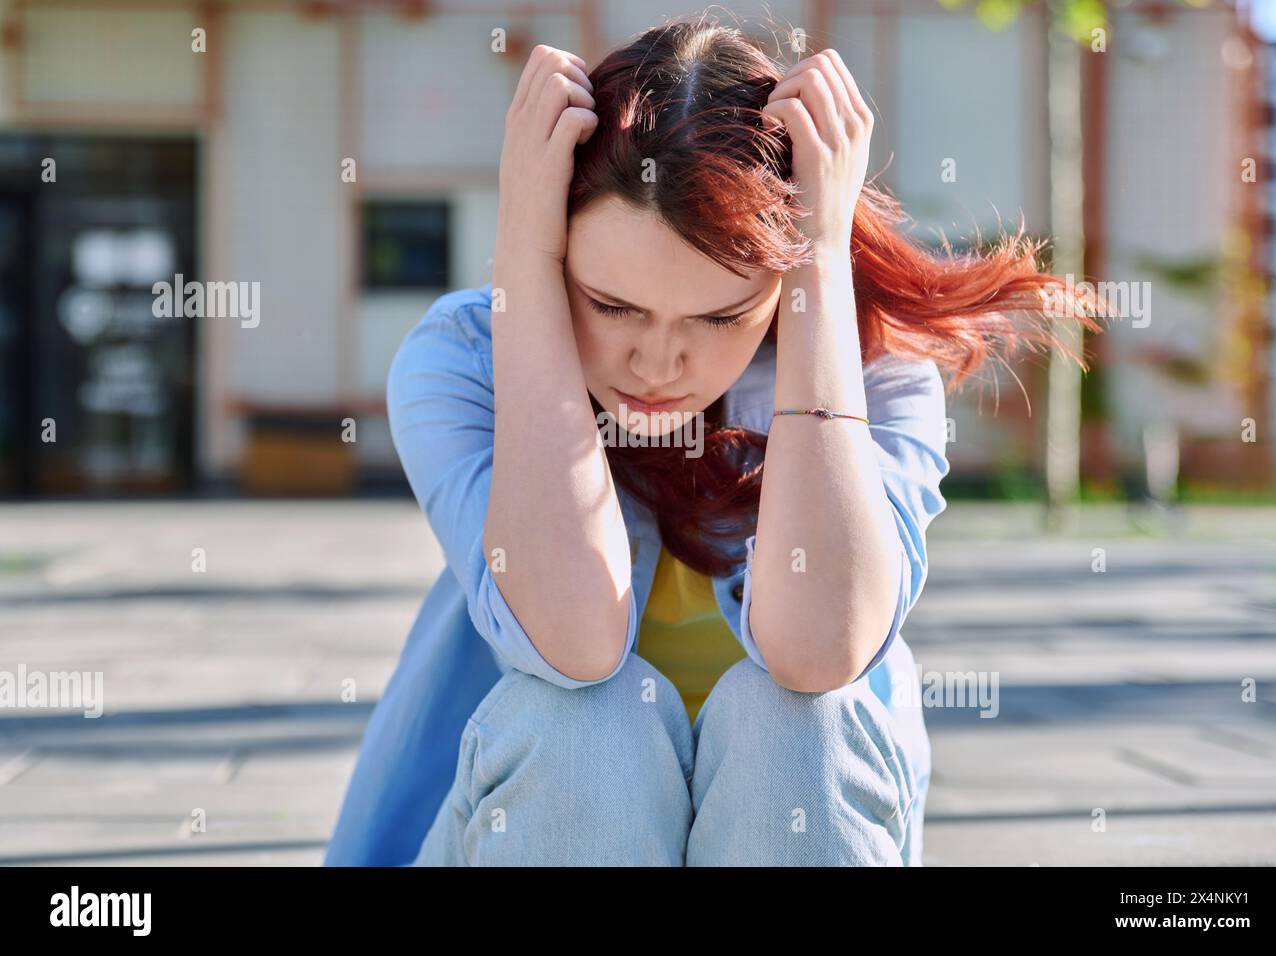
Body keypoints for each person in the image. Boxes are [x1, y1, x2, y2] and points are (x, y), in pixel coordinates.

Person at [324, 12, 1104, 867]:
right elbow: (572, 643)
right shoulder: (464, 357)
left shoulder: (873, 372)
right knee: (579, 719)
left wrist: (819, 263)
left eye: (720, 315)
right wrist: (524, 260)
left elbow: (820, 651)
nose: (658, 362)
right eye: (611, 304)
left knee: (801, 722)